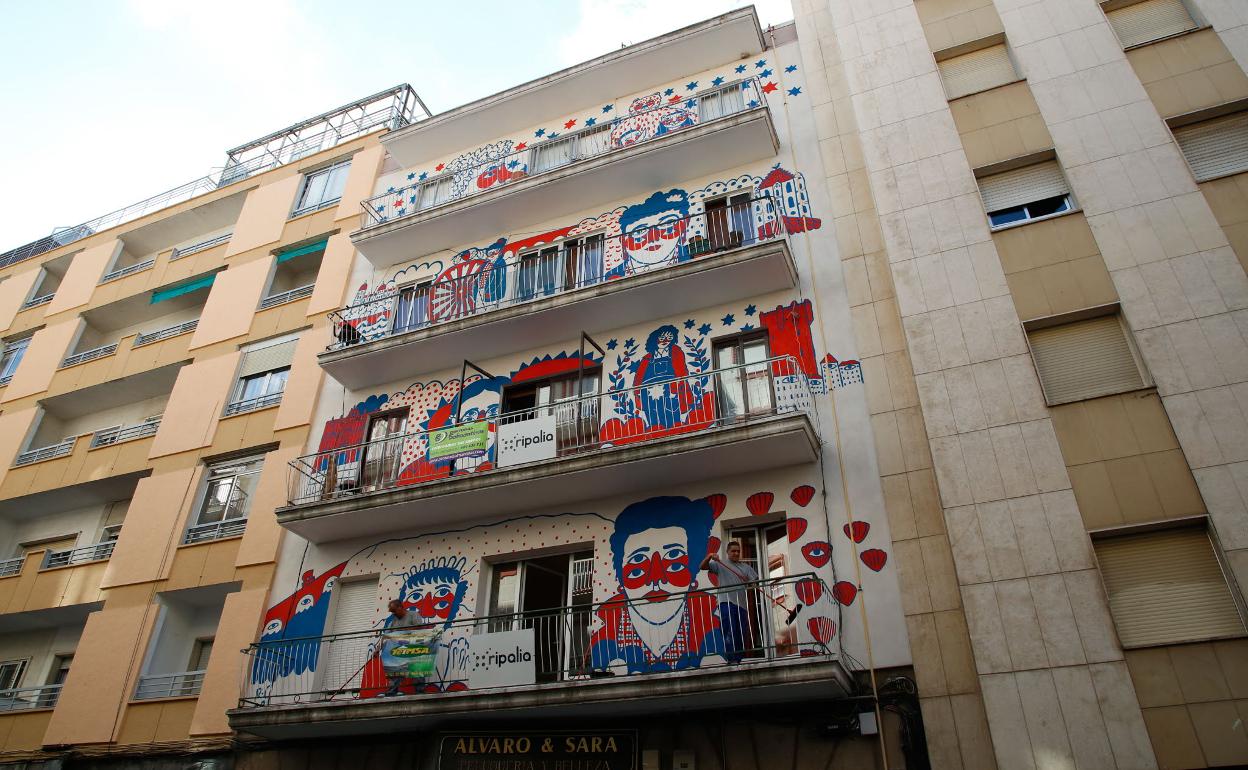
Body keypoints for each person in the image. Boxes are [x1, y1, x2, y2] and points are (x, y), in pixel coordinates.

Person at [700, 541, 760, 663]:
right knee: (729, 631)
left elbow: (755, 582)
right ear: (727, 552)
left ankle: (739, 659)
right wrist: (710, 556)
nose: (736, 553)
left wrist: (751, 584)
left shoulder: (746, 567)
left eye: (738, 551)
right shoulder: (720, 564)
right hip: (725, 602)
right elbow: (702, 567)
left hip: (741, 605)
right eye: (733, 551)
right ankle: (732, 660)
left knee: (740, 633)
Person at [380, 598, 438, 696]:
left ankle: (420, 691)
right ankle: (392, 690)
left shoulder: (413, 615)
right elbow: (386, 635)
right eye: (392, 612)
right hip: (400, 650)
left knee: (417, 669)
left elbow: (419, 628)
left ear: (401, 607)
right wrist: (379, 648)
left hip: (414, 647)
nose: (393, 613)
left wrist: (402, 632)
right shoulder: (393, 621)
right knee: (396, 670)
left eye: (394, 611)